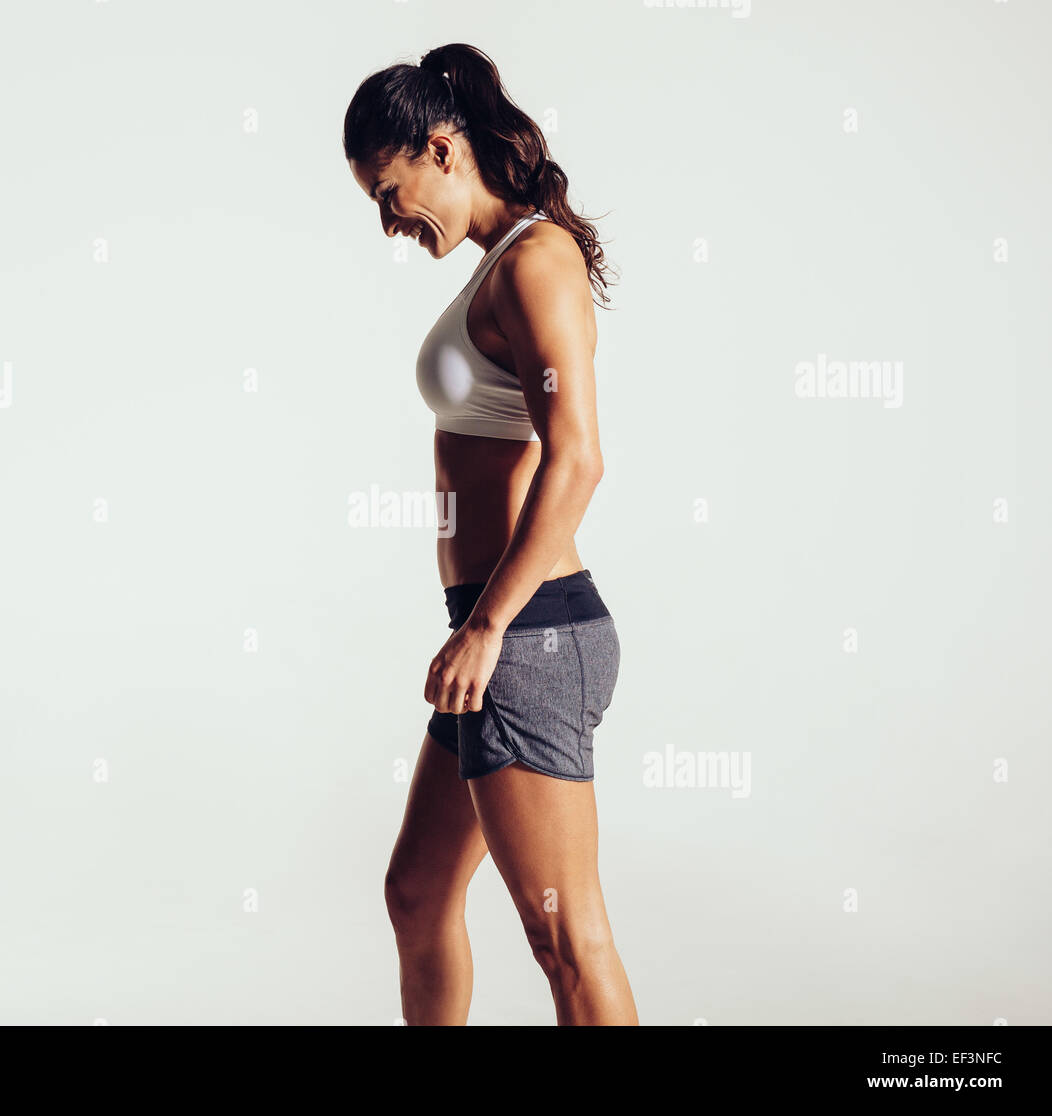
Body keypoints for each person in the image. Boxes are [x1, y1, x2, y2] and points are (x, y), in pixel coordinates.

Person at [344, 43, 637, 1026]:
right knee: (417, 895)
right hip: (498, 634)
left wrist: (487, 627)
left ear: (440, 147)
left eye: (392, 194)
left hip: (526, 636)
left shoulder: (537, 261)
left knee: (564, 936)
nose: (390, 225)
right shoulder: (505, 264)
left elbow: (578, 457)